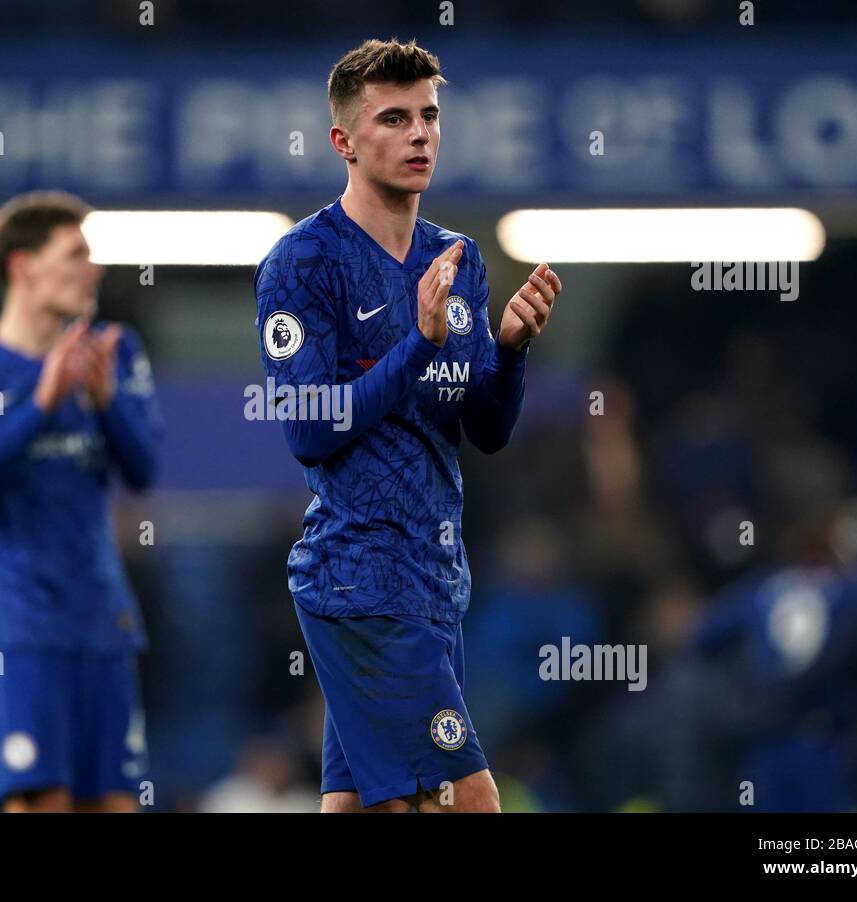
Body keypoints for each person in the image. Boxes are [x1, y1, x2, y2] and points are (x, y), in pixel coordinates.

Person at [253, 38, 562, 812]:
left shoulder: (456, 259)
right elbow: (309, 430)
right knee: (468, 800)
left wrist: (513, 352)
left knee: (363, 803)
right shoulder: (304, 263)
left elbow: (485, 429)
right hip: (361, 579)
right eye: (393, 118)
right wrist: (416, 345)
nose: (420, 133)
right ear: (345, 142)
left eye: (428, 115)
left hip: (436, 581)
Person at [0, 191, 161, 812]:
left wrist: (104, 401)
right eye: (76, 254)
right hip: (18, 624)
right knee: (41, 802)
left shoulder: (113, 350)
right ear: (23, 267)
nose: (94, 269)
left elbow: (144, 470)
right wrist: (42, 406)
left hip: (103, 621)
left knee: (114, 803)